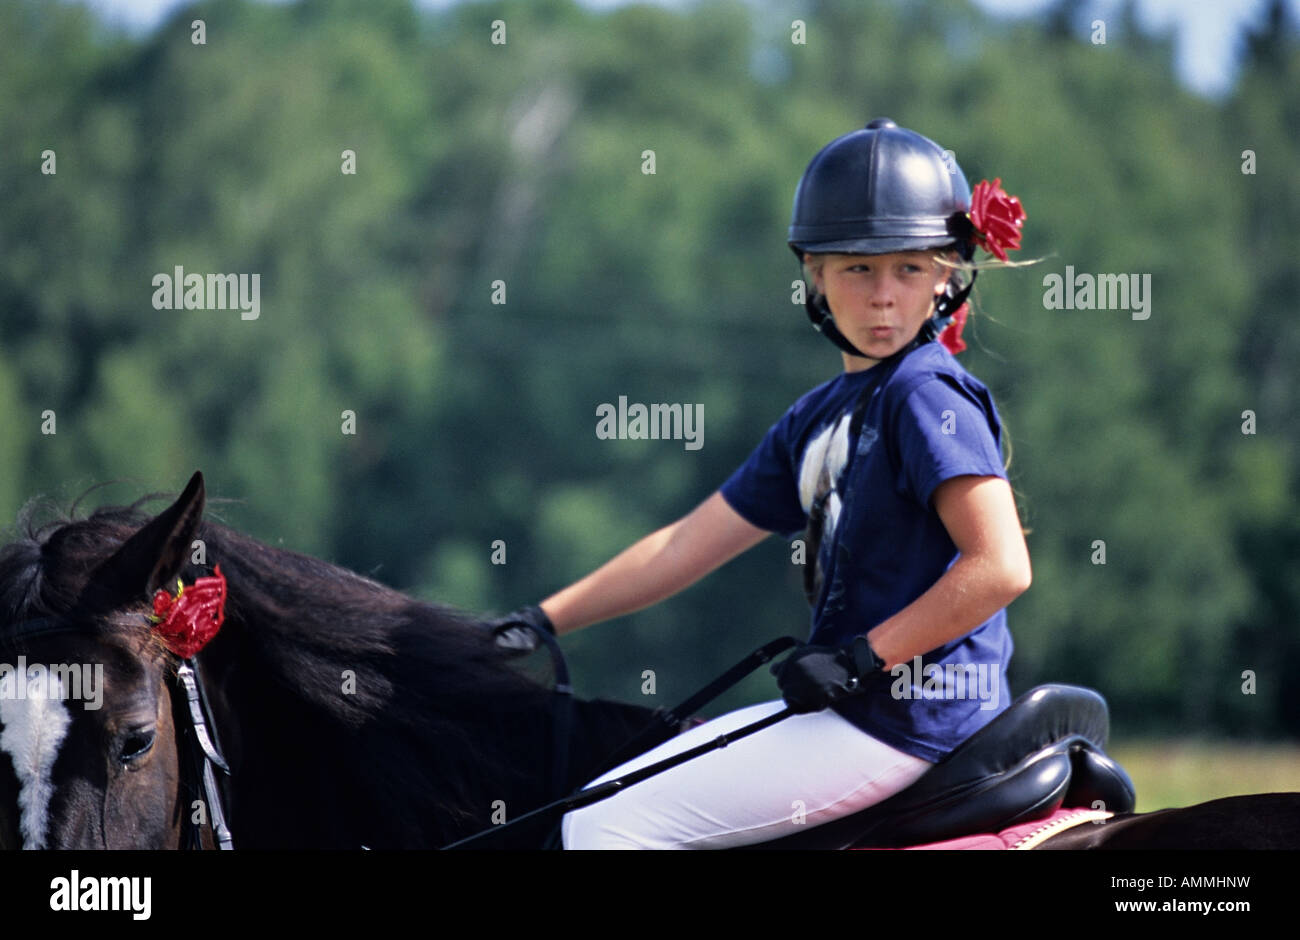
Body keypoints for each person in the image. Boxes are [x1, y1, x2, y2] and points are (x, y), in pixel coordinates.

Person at [492, 119, 1031, 849]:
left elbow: (1000, 565)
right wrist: (543, 619)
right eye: (857, 270)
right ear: (813, 273)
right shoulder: (818, 416)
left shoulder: (925, 396)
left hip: (913, 719)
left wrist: (861, 657)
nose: (882, 298)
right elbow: (686, 545)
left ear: (946, 275)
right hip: (855, 712)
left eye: (908, 269)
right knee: (598, 796)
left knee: (600, 833)